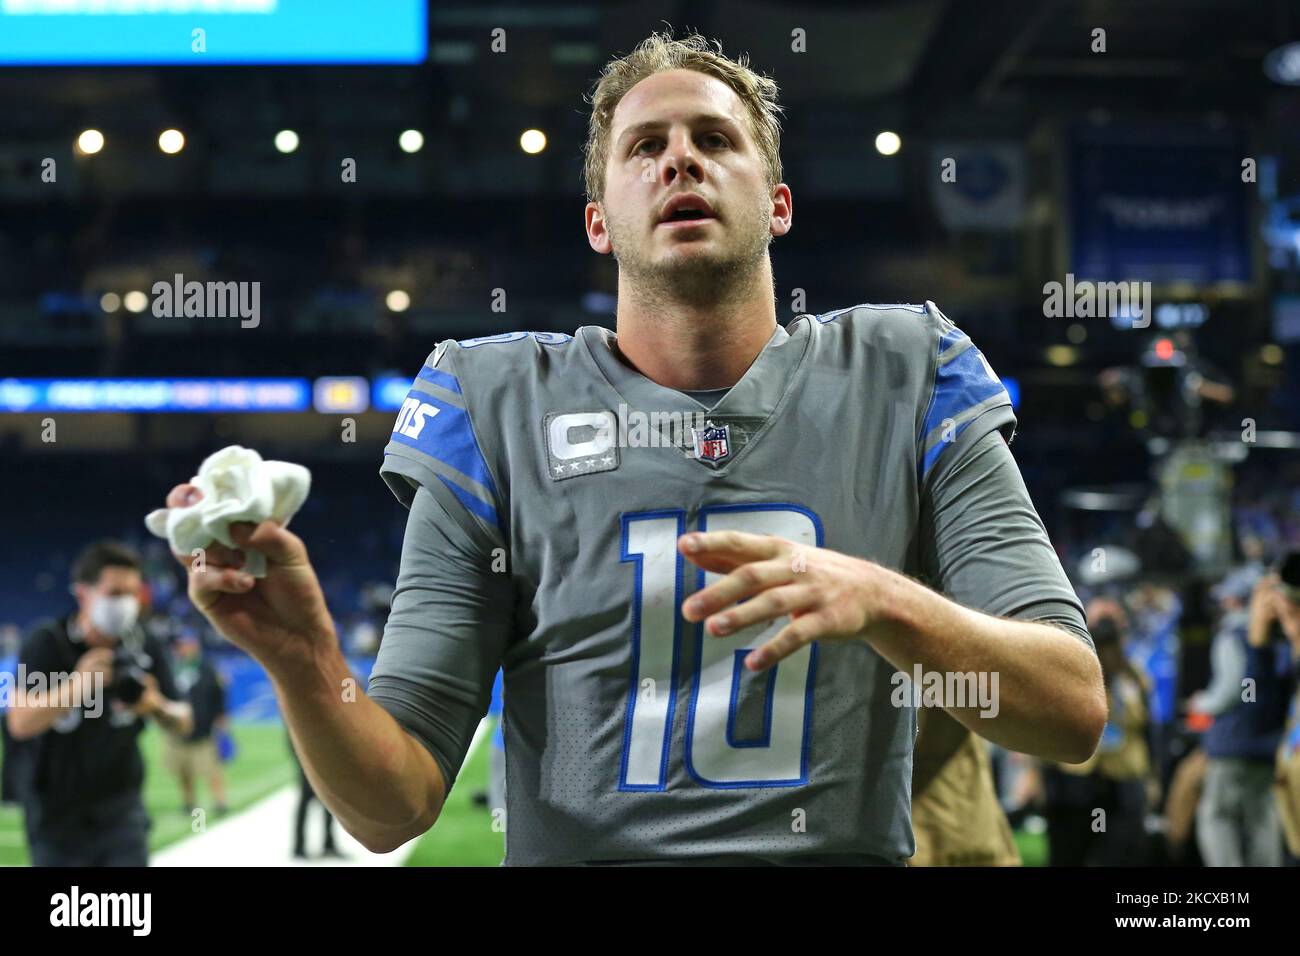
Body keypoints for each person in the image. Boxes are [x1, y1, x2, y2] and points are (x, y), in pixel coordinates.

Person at [156, 30, 1104, 865]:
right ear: (599, 223)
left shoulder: (909, 369)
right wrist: (303, 659)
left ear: (777, 205)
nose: (679, 161)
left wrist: (880, 597)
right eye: (644, 146)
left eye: (714, 139)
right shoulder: (492, 405)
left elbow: (1070, 708)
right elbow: (390, 806)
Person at [4, 541, 192, 866]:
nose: (126, 603)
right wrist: (77, 687)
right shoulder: (48, 642)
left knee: (123, 912)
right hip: (56, 812)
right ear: (83, 594)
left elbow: (185, 721)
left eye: (133, 593)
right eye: (115, 593)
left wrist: (156, 706)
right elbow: (19, 723)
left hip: (121, 806)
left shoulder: (145, 642)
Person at [1043, 598, 1151, 866]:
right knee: (1070, 852)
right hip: (1076, 780)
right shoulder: (1069, 670)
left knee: (1122, 854)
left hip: (1123, 779)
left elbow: (1147, 722)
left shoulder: (1133, 674)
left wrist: (1120, 666)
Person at [164, 630, 229, 818]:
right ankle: (189, 803)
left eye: (186, 644)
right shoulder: (173, 668)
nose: (183, 649)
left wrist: (221, 717)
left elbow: (219, 693)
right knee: (183, 770)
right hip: (177, 731)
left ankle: (220, 801)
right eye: (180, 645)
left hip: (203, 729)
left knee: (211, 769)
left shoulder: (207, 668)